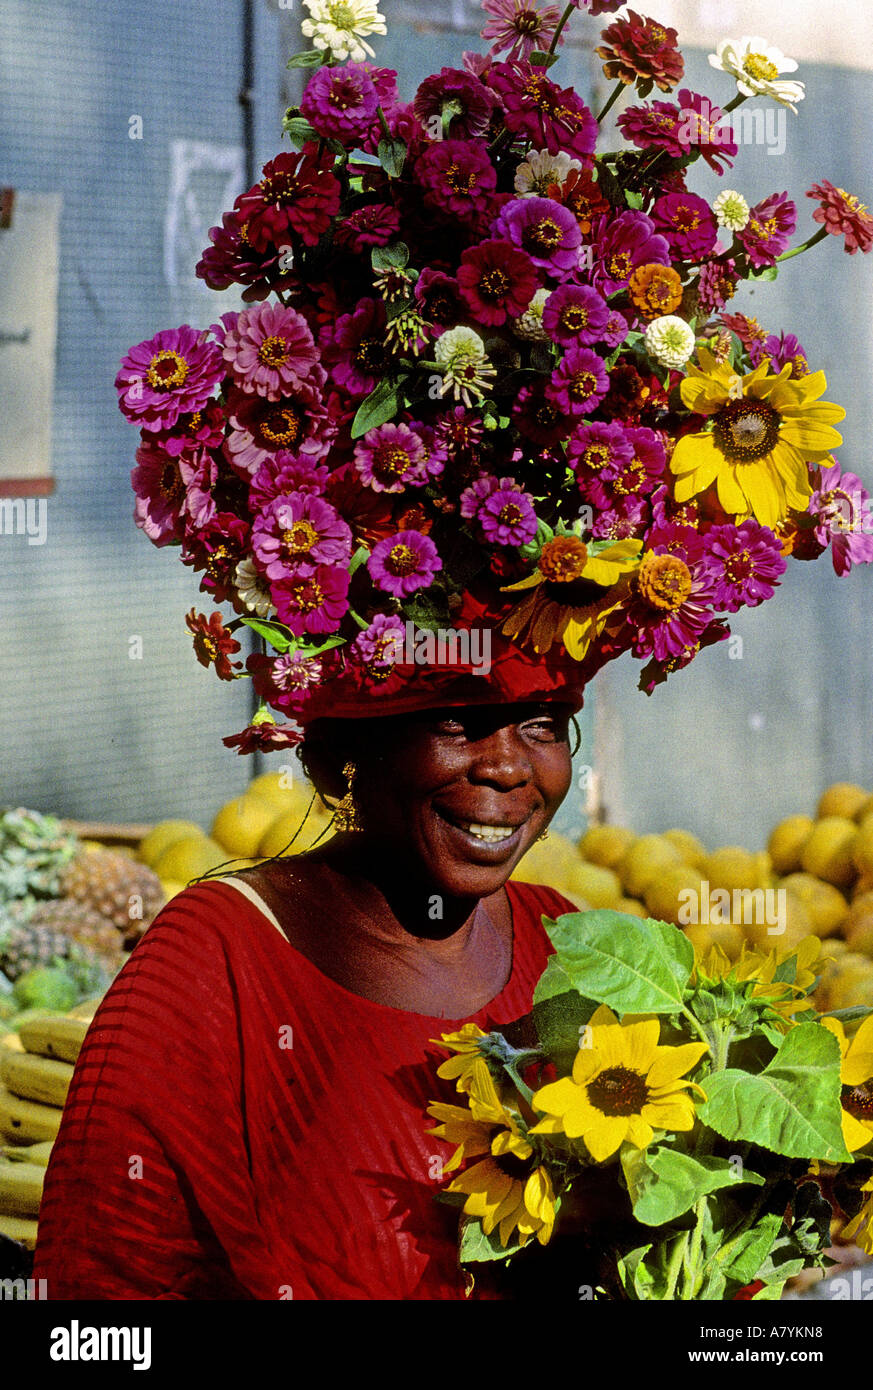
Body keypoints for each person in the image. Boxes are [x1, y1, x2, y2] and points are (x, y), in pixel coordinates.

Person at [33, 690, 586, 1300]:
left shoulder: (568, 947)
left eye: (543, 725)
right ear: (334, 757)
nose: (507, 767)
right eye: (454, 722)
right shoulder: (212, 960)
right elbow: (100, 1293)